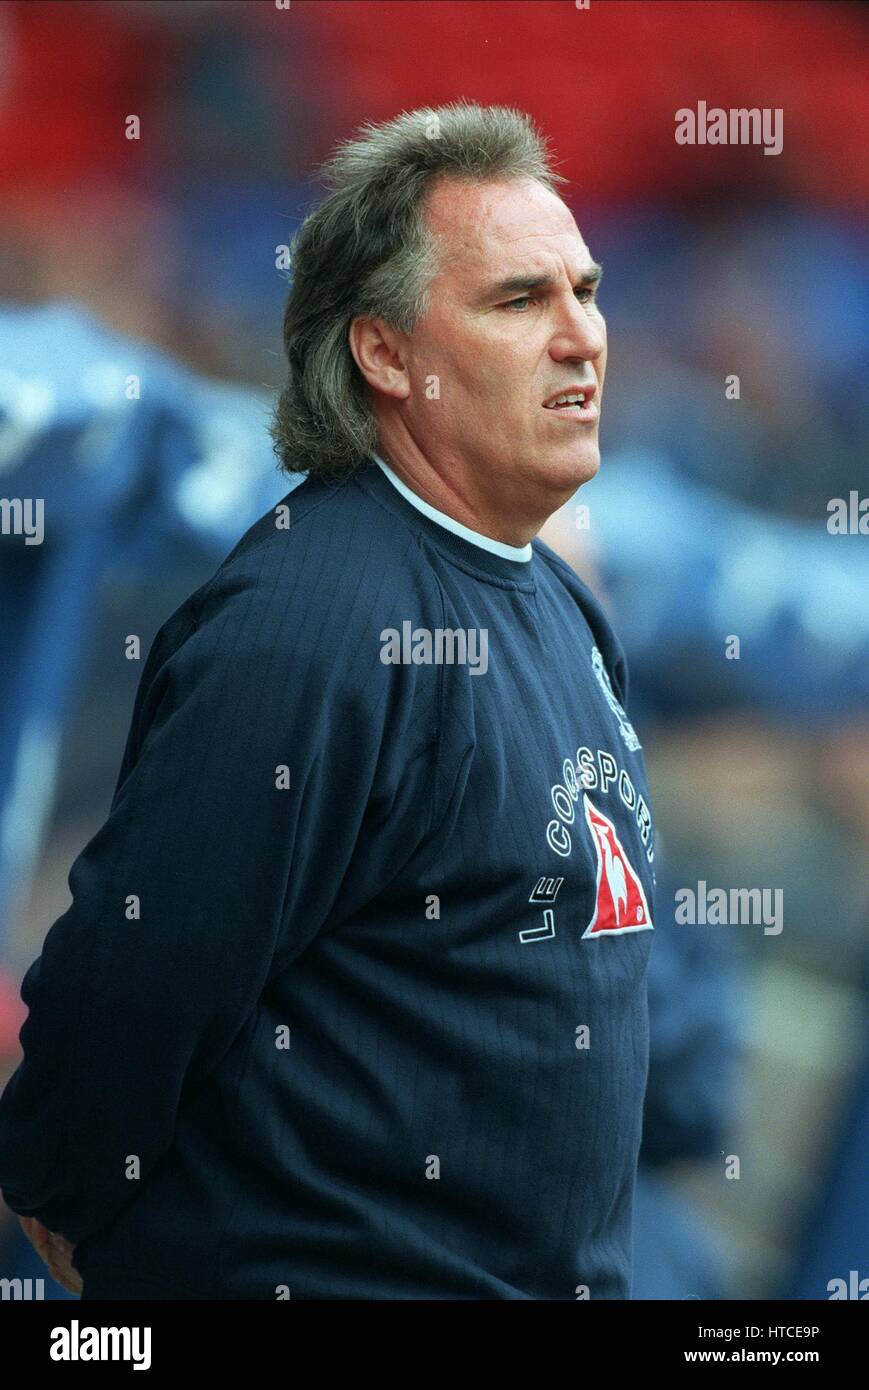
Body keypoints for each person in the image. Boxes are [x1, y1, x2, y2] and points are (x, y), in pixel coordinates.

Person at [0, 101, 656, 1300]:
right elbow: (135, 973)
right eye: (518, 301)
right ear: (385, 354)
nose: (581, 337)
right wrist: (66, 1191)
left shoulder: (558, 602)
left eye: (586, 288)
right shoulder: (313, 621)